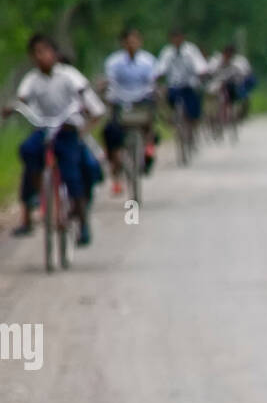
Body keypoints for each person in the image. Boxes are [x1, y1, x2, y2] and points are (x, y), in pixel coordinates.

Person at [3, 33, 105, 244]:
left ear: (55, 53)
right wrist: (12, 108)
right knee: (28, 150)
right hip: (44, 128)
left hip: (66, 128)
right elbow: (22, 98)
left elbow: (84, 94)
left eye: (45, 51)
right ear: (31, 57)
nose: (41, 56)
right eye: (36, 53)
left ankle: (82, 221)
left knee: (72, 172)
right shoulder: (32, 79)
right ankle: (37, 190)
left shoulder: (68, 75)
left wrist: (87, 110)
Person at [101, 26, 158, 194]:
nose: (132, 44)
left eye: (135, 40)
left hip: (142, 100)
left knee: (151, 121)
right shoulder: (114, 62)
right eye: (128, 41)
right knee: (110, 134)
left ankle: (149, 147)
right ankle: (115, 172)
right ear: (123, 43)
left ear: (140, 42)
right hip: (120, 103)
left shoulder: (148, 61)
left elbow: (153, 81)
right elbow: (109, 80)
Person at [153, 27, 208, 132]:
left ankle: (193, 123)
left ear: (182, 38)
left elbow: (199, 65)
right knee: (166, 97)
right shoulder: (167, 52)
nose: (176, 41)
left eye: (178, 38)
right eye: (174, 38)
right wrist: (157, 75)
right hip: (174, 85)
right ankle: (173, 118)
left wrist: (201, 72)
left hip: (189, 84)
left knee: (194, 106)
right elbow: (161, 67)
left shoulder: (191, 50)